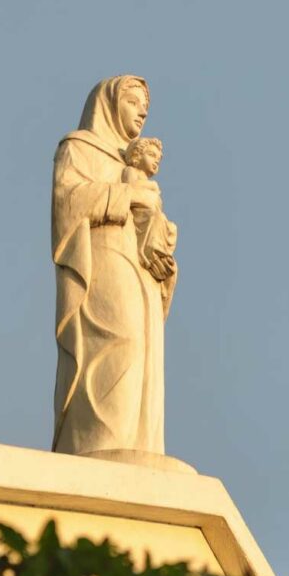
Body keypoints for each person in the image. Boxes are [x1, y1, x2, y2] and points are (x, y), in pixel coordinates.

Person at [51, 77, 177, 458]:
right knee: (118, 341)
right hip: (102, 257)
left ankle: (136, 445)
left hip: (138, 268)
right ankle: (100, 444)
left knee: (144, 349)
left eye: (145, 107)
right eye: (133, 102)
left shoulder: (133, 163)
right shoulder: (79, 148)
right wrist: (127, 195)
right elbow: (66, 201)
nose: (141, 111)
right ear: (108, 105)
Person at [121, 136, 178, 319]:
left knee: (171, 228)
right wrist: (150, 187)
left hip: (151, 216)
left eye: (158, 159)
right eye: (151, 155)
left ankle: (159, 252)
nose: (155, 161)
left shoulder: (151, 183)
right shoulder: (131, 171)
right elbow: (130, 189)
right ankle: (150, 252)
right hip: (142, 216)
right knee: (153, 215)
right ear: (138, 155)